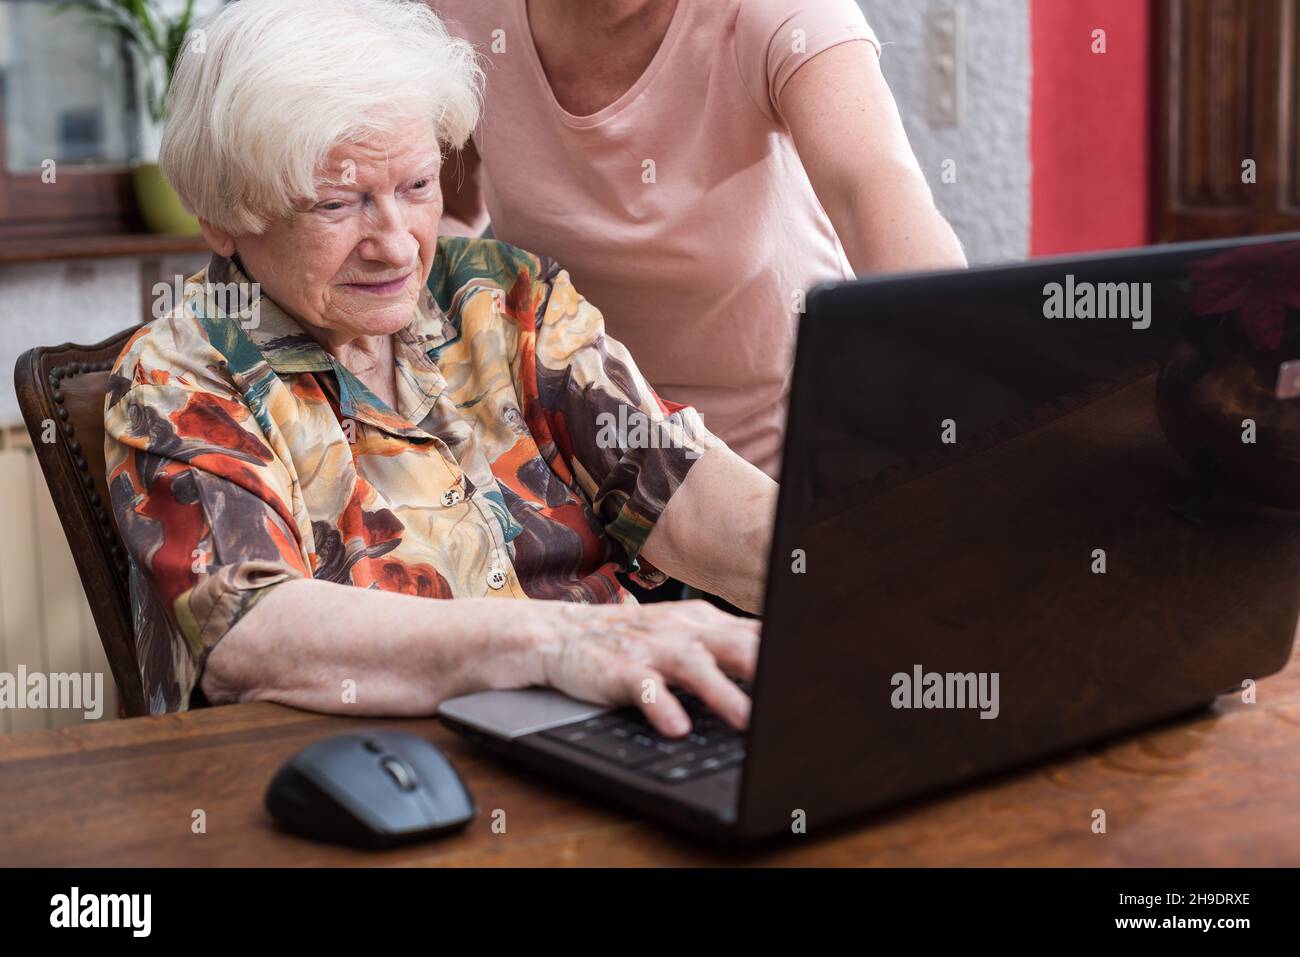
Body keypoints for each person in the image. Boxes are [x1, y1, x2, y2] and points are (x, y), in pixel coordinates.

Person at [104, 0, 776, 739]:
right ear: (224, 214)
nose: (397, 247)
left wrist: (857, 563)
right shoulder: (180, 375)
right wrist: (562, 643)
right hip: (375, 779)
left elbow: (681, 491)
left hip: (608, 743)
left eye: (418, 187)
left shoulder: (502, 301)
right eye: (338, 203)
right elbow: (253, 631)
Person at [432, 0, 968, 482]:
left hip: (782, 476)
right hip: (573, 480)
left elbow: (872, 189)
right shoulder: (463, 15)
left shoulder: (778, 15)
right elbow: (446, 206)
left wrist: (965, 393)